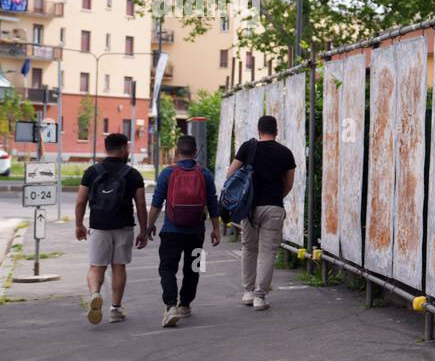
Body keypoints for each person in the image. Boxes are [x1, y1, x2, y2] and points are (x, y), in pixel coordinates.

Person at [147, 134, 222, 327]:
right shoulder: (205, 174)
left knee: (167, 269)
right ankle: (186, 304)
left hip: (170, 230)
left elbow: (156, 203)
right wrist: (216, 229)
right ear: (195, 152)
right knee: (195, 268)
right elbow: (213, 204)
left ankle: (171, 306)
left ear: (177, 152)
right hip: (197, 232)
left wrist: (148, 226)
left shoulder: (167, 173)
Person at [75, 132, 148, 324]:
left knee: (96, 266)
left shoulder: (92, 171)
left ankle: (94, 294)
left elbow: (80, 201)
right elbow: (141, 204)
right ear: (124, 148)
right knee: (118, 267)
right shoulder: (133, 174)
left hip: (99, 225)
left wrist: (78, 224)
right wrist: (144, 230)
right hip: (123, 226)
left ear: (106, 148)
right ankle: (115, 309)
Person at [226, 115, 295, 310]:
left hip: (249, 207)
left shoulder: (248, 148)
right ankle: (259, 296)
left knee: (249, 248)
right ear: (276, 131)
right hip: (273, 206)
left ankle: (247, 292)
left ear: (259, 130)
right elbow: (289, 183)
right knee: (267, 252)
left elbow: (230, 174)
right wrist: (276, 197)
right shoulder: (286, 153)